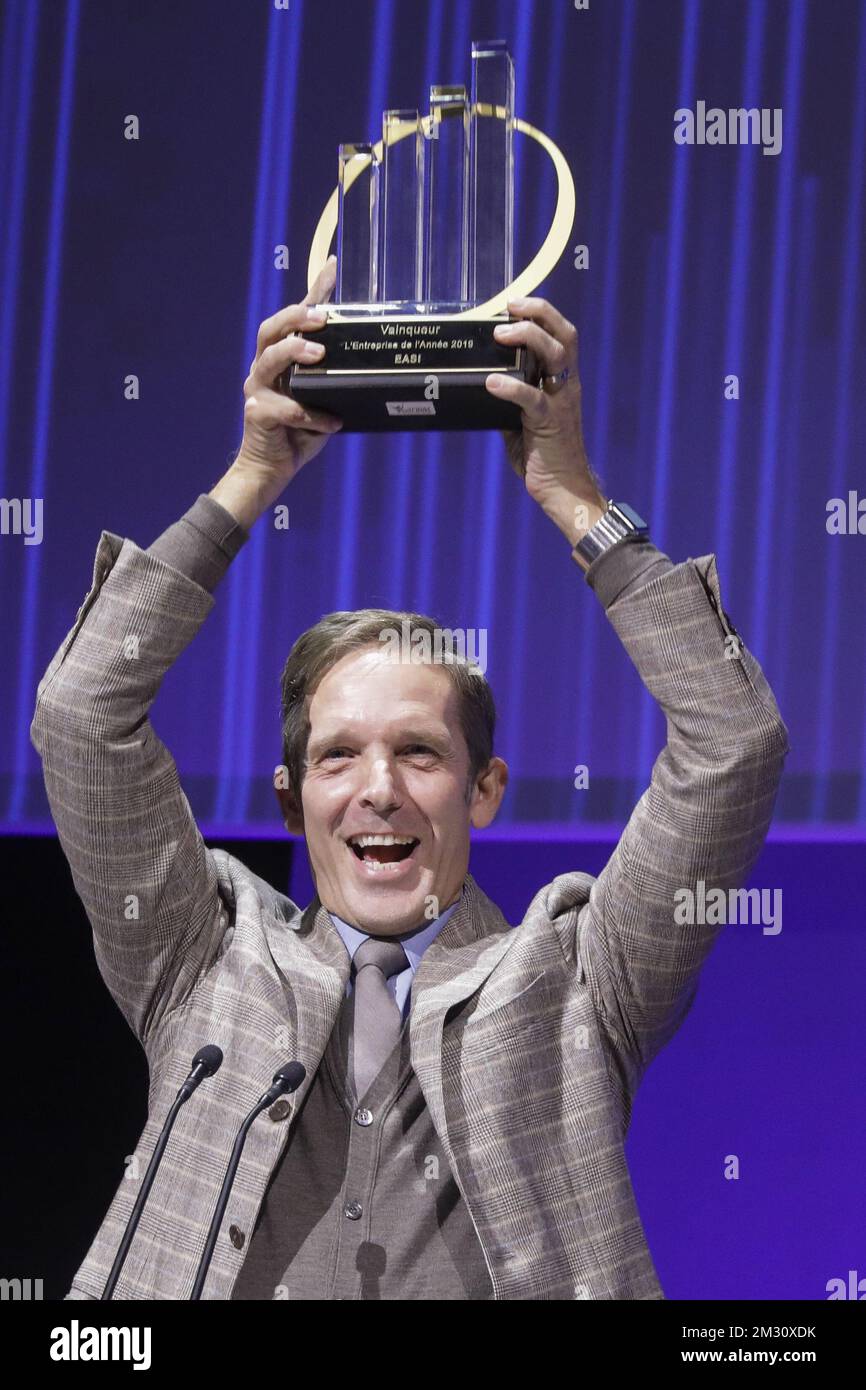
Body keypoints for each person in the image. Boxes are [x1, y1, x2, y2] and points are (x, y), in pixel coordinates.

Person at [30, 257, 789, 1300]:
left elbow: (731, 743)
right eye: (337, 755)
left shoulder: (576, 981)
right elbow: (80, 719)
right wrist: (250, 477)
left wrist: (574, 498)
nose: (377, 787)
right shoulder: (199, 958)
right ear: (292, 800)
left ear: (483, 790)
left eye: (419, 752)